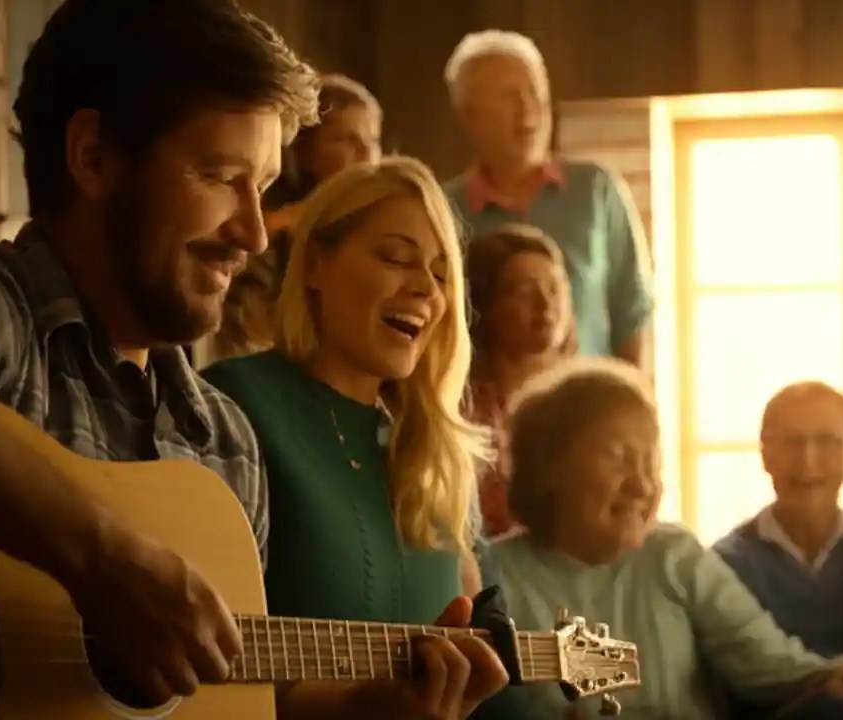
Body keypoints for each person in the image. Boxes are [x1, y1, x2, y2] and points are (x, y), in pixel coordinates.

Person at [0, 2, 503, 718]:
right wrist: (97, 556)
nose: (252, 232)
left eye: (264, 189)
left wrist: (370, 707)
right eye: (220, 177)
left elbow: (227, 696)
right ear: (94, 157)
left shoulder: (222, 440)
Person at [203, 156, 516, 719]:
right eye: (397, 258)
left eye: (442, 275)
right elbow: (186, 667)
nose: (424, 287)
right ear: (316, 264)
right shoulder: (233, 404)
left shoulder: (437, 456)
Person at [490, 358, 843, 720]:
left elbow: (769, 661)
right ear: (549, 466)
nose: (642, 485)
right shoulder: (493, 576)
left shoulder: (673, 555)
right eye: (618, 458)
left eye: (651, 463)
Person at [441, 30, 654, 372]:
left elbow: (631, 313)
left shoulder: (596, 190)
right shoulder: (443, 208)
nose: (529, 108)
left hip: (586, 407)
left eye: (536, 92)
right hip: (484, 412)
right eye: (509, 95)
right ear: (469, 114)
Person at [210, 73, 382, 362]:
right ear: (303, 151)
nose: (365, 152)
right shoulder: (267, 235)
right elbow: (247, 341)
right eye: (344, 139)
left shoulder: (380, 228)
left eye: (372, 139)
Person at [714, 382, 843, 663]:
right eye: (792, 442)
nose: (807, 460)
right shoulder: (727, 564)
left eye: (827, 442)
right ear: (766, 455)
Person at [464, 223, 573, 538]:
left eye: (554, 289)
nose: (545, 305)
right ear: (485, 305)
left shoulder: (587, 402)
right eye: (524, 291)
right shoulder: (463, 409)